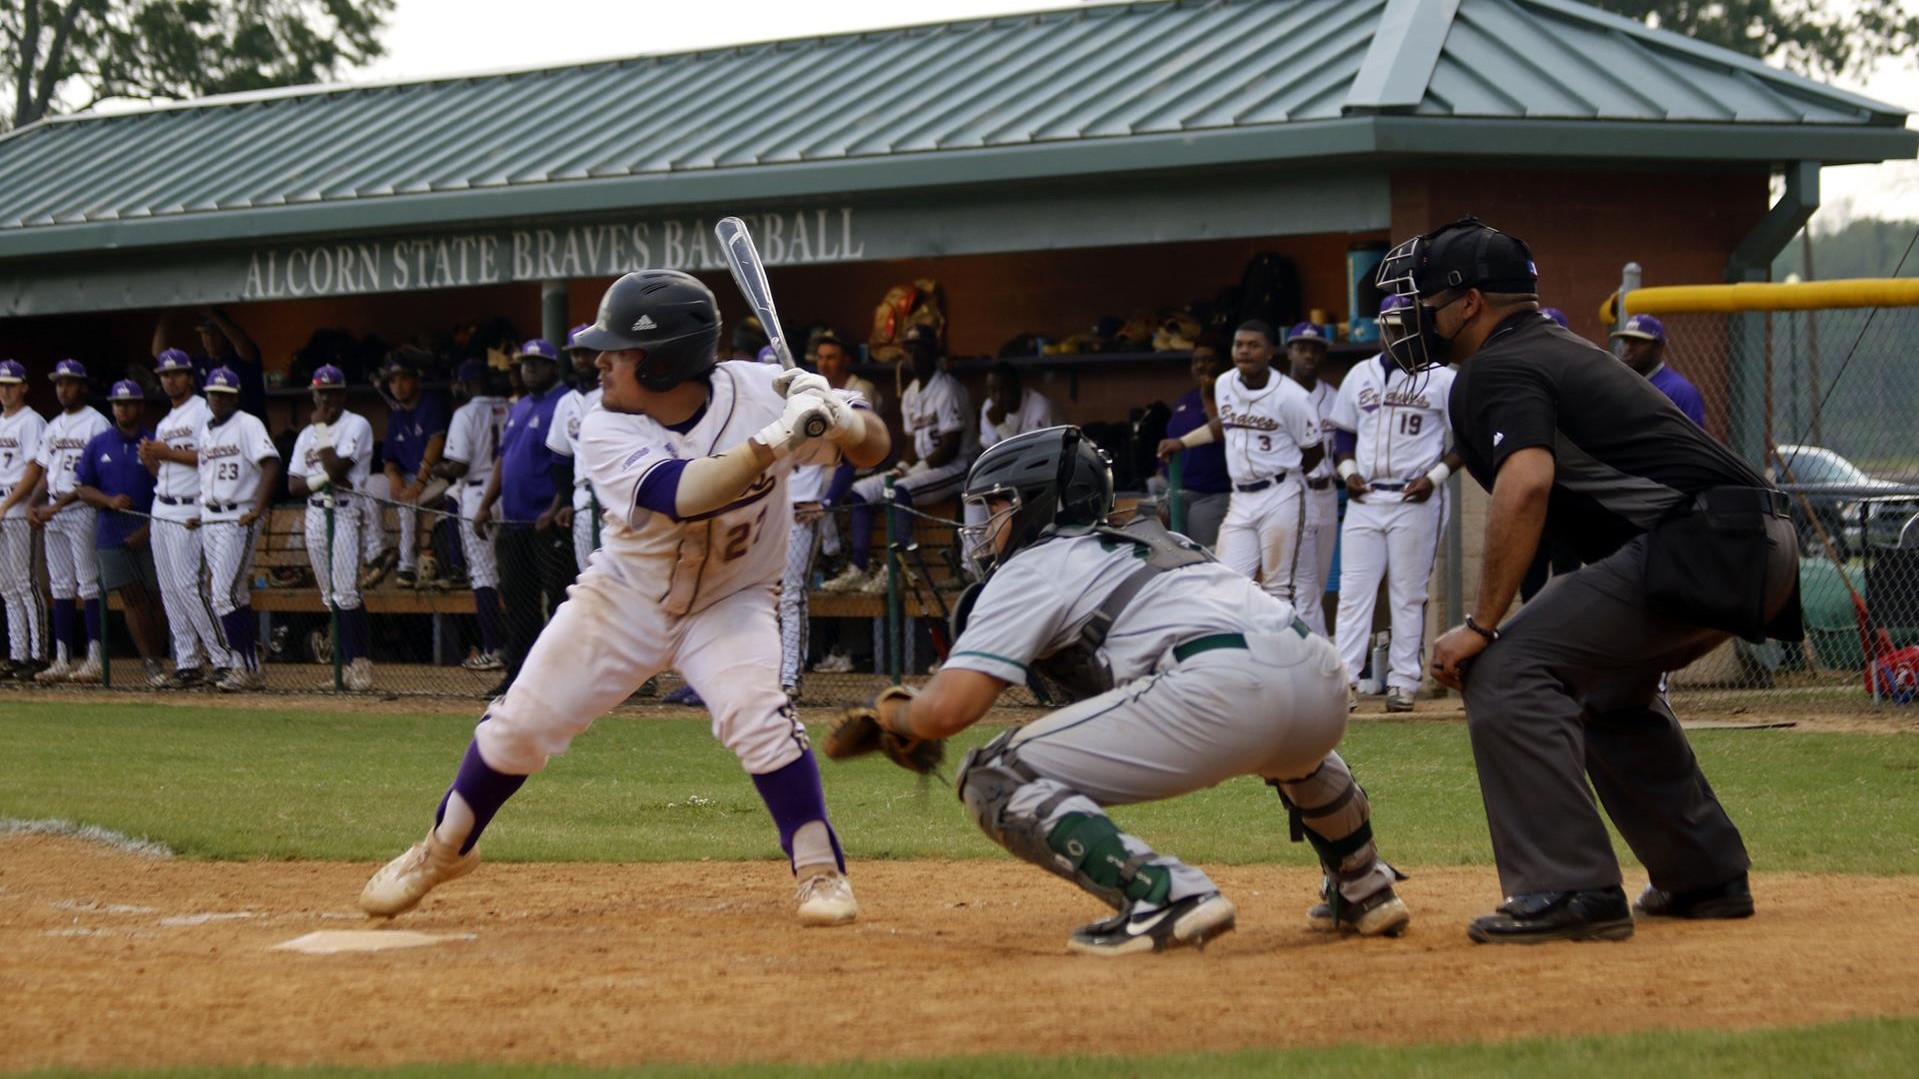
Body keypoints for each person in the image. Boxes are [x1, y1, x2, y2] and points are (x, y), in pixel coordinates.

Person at [358, 268, 892, 927]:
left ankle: (820, 872)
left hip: (732, 601)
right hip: (623, 600)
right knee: (519, 724)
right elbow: (687, 491)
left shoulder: (764, 392)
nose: (600, 360)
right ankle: (442, 849)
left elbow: (875, 448)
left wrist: (844, 418)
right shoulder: (605, 426)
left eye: (619, 350)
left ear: (666, 363)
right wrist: (782, 436)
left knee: (758, 711)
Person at [1381, 217, 1801, 943]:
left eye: (1423, 297)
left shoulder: (1497, 366)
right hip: (1750, 544)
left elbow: (1525, 485)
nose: (1410, 313)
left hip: (1705, 544)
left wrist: (1482, 626)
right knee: (1607, 689)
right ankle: (1701, 875)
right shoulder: (1552, 348)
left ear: (1469, 302)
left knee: (1507, 667)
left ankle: (1566, 886)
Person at [849, 426, 1408, 956]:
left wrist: (898, 717)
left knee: (991, 774)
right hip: (1321, 679)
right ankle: (1363, 886)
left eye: (997, 506)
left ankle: (1164, 893)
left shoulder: (1032, 566)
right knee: (1297, 753)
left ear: (1039, 502)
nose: (986, 525)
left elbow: (949, 710)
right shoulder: (1165, 539)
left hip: (1220, 686)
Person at [1328, 297, 1461, 714]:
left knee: (1408, 594)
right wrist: (1348, 472)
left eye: (1404, 324)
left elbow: (1467, 443)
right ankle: (1344, 681)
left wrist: (1433, 478)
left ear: (1419, 327)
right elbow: (1343, 434)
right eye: (1389, 324)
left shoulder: (1442, 378)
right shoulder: (1359, 374)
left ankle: (1403, 682)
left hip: (1414, 496)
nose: (1396, 331)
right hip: (1366, 497)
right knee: (1353, 592)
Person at [1155, 321, 1324, 611]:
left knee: (1278, 587)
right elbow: (1226, 423)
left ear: (1270, 352)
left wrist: (1287, 475)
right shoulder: (1224, 383)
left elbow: (1314, 451)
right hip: (1241, 497)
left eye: (1253, 345)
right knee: (1227, 581)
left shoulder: (1291, 396)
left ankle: (1281, 654)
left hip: (1280, 492)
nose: (1244, 351)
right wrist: (1183, 442)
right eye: (1239, 344)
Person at [822, 324, 976, 593]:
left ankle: (895, 570)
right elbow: (911, 443)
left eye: (919, 349)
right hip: (925, 467)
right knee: (861, 490)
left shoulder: (947, 389)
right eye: (909, 349)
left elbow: (951, 446)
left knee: (901, 489)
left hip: (958, 467)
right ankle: (858, 568)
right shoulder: (911, 392)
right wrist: (904, 466)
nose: (913, 355)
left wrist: (914, 470)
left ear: (932, 352)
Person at [474, 338, 575, 696]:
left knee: (561, 601)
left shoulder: (564, 402)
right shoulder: (517, 407)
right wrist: (486, 504)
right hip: (514, 521)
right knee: (517, 604)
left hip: (548, 522)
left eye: (537, 363)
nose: (529, 369)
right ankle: (519, 677)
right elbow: (503, 459)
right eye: (525, 363)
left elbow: (571, 461)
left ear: (554, 367)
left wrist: (556, 506)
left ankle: (562, 680)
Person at [142, 348, 237, 687]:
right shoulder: (165, 421)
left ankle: (223, 657)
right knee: (169, 589)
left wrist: (167, 453)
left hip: (189, 507)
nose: (170, 379)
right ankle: (188, 661)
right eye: (165, 375)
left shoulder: (201, 411)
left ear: (189, 376)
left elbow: (211, 455)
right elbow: (163, 469)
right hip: (162, 505)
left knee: (189, 586)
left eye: (176, 373)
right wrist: (152, 460)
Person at [15, 360, 110, 683]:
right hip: (53, 509)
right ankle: (63, 658)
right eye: (59, 383)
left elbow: (94, 478)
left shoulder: (96, 423)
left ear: (83, 386)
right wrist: (33, 504)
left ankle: (96, 658)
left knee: (87, 583)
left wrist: (52, 507)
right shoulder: (53, 425)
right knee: (60, 586)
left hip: (81, 508)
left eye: (69, 383)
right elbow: (44, 472)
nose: (63, 388)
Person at [71, 381, 170, 685]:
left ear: (141, 406)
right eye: (117, 403)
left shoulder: (155, 441)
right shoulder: (99, 444)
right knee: (131, 597)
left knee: (159, 597)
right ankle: (151, 663)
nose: (122, 408)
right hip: (113, 530)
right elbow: (82, 488)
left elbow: (170, 489)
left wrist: (149, 528)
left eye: (129, 403)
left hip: (152, 528)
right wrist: (108, 500)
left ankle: (170, 659)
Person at [289, 364, 379, 691]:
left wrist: (322, 432)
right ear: (313, 394)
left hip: (344, 511)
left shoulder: (357, 424)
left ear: (343, 394)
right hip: (315, 512)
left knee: (346, 592)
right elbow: (294, 486)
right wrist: (327, 479)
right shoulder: (304, 435)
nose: (326, 398)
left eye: (332, 391)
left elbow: (337, 467)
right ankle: (342, 667)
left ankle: (360, 666)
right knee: (329, 596)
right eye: (320, 392)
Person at [191, 367, 281, 692]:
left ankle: (242, 665)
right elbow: (208, 477)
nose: (216, 398)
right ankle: (249, 667)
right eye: (212, 393)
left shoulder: (248, 423)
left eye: (223, 394)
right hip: (212, 517)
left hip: (239, 515)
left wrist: (258, 508)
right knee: (234, 594)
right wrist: (200, 512)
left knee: (224, 593)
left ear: (235, 396)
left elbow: (271, 463)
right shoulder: (206, 430)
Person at [436, 361, 509, 674]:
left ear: (467, 385)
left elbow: (458, 467)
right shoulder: (510, 407)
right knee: (512, 574)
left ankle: (493, 648)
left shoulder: (464, 413)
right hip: (509, 495)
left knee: (483, 575)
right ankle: (518, 647)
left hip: (479, 495)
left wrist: (438, 469)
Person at [367, 347, 448, 588]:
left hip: (437, 480)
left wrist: (419, 481)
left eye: (403, 378)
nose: (398, 386)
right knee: (370, 485)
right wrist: (393, 478)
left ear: (415, 380)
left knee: (407, 501)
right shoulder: (395, 418)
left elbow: (436, 442)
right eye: (392, 381)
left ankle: (407, 566)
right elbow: (389, 460)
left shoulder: (431, 405)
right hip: (409, 479)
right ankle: (379, 551)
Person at [1283, 321, 1340, 637]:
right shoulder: (1275, 394)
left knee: (1316, 583)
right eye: (1302, 348)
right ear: (1289, 352)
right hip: (1293, 493)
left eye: (1315, 349)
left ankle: (1302, 645)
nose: (1308, 355)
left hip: (1327, 493)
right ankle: (1314, 652)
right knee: (1300, 585)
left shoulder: (1333, 397)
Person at [1158, 336, 1231, 549]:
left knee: (1203, 556)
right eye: (1196, 360)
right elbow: (1174, 435)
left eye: (1208, 360)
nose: (1200, 365)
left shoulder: (1227, 397)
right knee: (1176, 556)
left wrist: (1208, 396)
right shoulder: (1185, 399)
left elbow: (1221, 431)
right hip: (1179, 490)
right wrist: (1161, 468)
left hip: (1211, 494)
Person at [0, 360, 48, 678]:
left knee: (26, 582)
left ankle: (38, 655)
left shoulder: (31, 421)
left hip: (15, 506)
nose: (5, 390)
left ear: (24, 387)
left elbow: (34, 469)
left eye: (11, 384)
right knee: (7, 587)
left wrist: (7, 505)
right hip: (2, 504)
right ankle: (18, 654)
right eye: (2, 385)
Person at [545, 325, 605, 577]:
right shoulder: (565, 403)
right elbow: (560, 460)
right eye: (576, 354)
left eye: (587, 352)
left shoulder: (614, 395)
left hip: (615, 496)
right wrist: (566, 501)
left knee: (621, 578)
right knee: (589, 578)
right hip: (582, 497)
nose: (581, 359)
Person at [153, 307, 268, 418]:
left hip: (247, 425)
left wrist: (214, 317)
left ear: (225, 334)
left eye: (215, 333)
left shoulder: (239, 358)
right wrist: (166, 318)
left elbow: (244, 347)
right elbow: (159, 354)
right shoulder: (200, 363)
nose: (210, 338)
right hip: (213, 428)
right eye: (205, 333)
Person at [1609, 314, 1705, 426]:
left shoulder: (1680, 392)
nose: (1628, 348)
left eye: (1638, 341)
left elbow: (1691, 442)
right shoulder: (1620, 387)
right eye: (1626, 341)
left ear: (1660, 347)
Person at [978, 361, 1063, 450]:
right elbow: (992, 449)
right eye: (993, 390)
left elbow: (1031, 454)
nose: (998, 398)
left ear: (1017, 386)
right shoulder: (989, 407)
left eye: (1004, 390)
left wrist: (1000, 426)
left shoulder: (1039, 407)